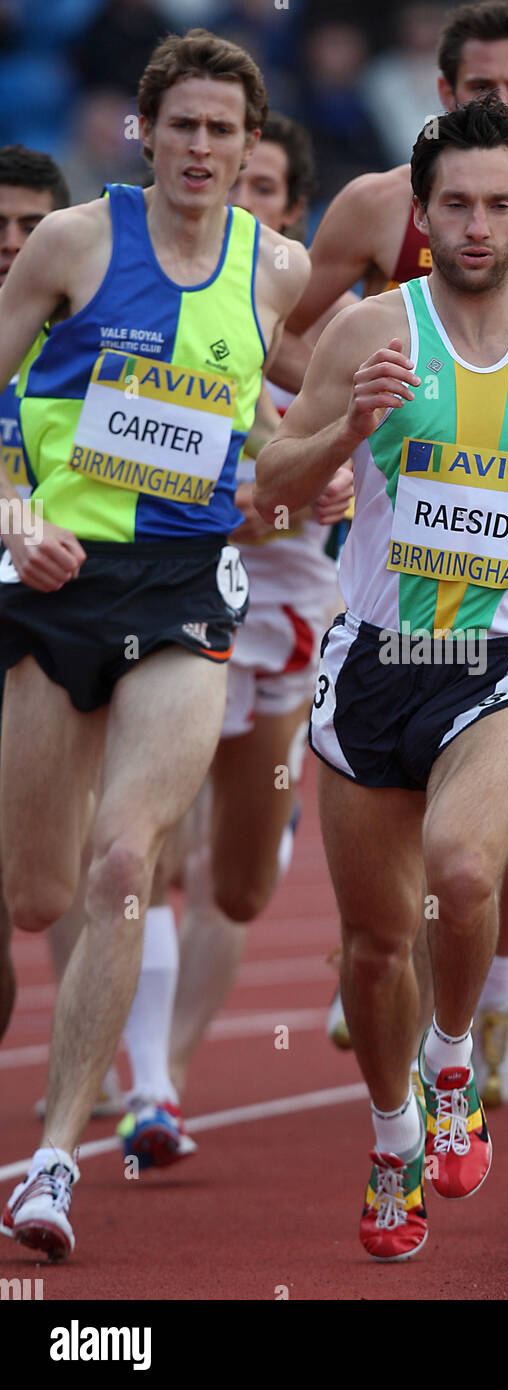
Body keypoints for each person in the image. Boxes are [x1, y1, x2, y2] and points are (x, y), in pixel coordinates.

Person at [254, 94, 508, 1262]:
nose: (476, 225)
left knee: (465, 871)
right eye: (453, 205)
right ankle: (389, 1139)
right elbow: (269, 483)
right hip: (376, 658)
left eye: (498, 205)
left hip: (507, 660)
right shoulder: (369, 330)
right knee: (373, 947)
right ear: (418, 214)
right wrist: (340, 436)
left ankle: (455, 1063)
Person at [0, 28, 309, 1261]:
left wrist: (316, 468)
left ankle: (59, 1158)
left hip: (186, 589)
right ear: (144, 132)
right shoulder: (75, 242)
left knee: (128, 865)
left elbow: (283, 415)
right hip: (56, 586)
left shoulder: (273, 266)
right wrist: (16, 515)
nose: (198, 146)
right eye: (178, 124)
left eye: (221, 130)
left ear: (248, 145)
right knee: (37, 893)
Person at [118, 115, 354, 1167]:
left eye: (262, 186)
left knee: (240, 884)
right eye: (228, 179)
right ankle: (151, 1085)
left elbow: (316, 497)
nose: (238, 199)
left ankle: (157, 1064)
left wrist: (289, 485)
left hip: (283, 612)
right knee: (143, 848)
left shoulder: (328, 336)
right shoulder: (151, 307)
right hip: (168, 598)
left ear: (292, 212)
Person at [0, 144, 70, 1045]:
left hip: (59, 614)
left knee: (42, 890)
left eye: (29, 226)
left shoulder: (96, 333)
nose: (12, 243)